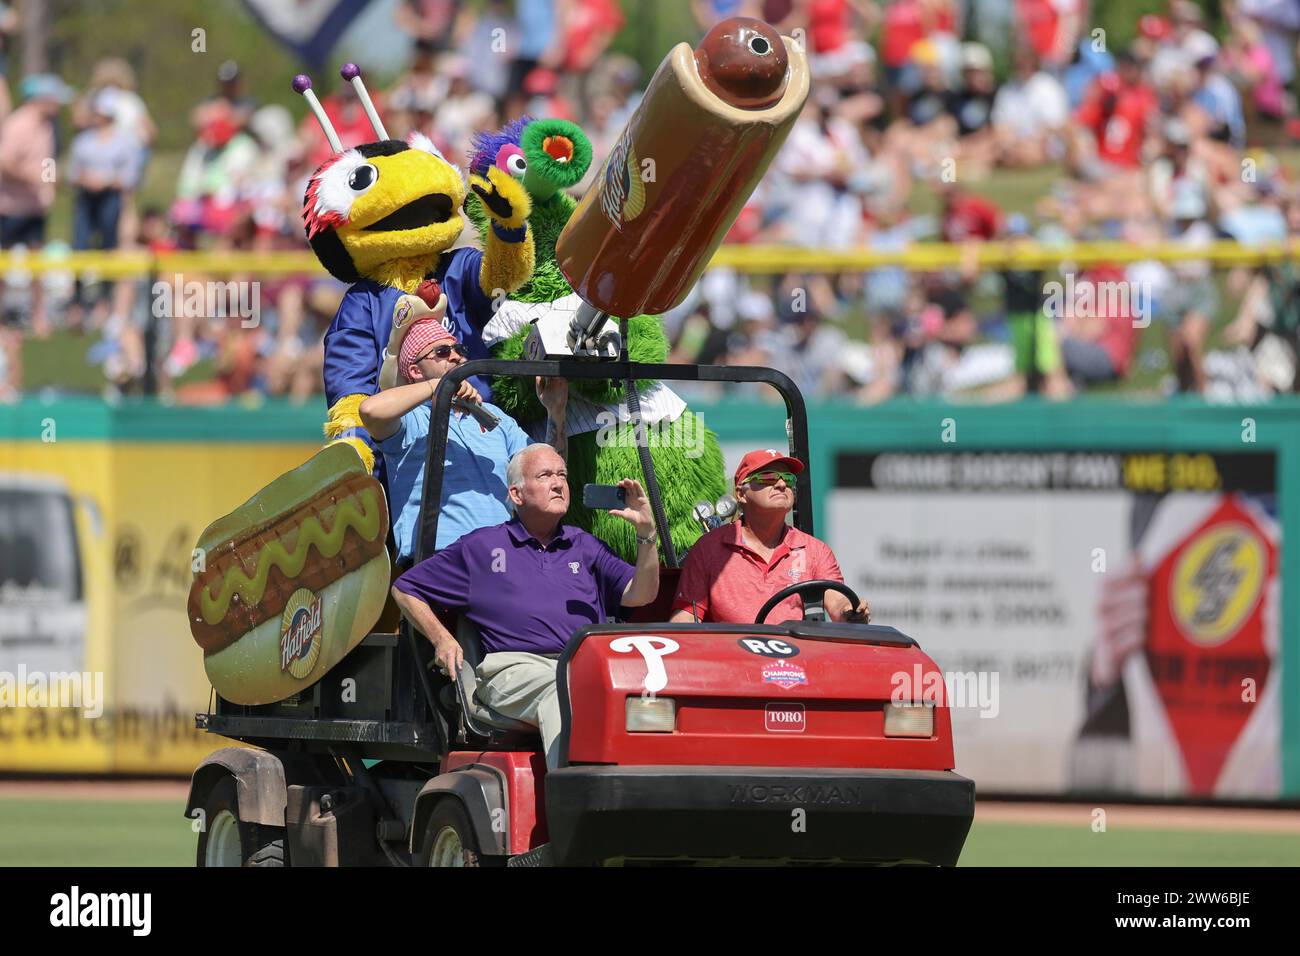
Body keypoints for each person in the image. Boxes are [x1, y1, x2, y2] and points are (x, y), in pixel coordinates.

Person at [391, 444, 660, 768]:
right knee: (562, 690)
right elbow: (405, 588)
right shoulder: (483, 546)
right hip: (513, 670)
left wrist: (647, 534)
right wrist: (441, 637)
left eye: (562, 475)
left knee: (651, 696)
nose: (559, 483)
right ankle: (578, 802)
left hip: (588, 666)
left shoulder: (584, 545)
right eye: (546, 475)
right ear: (516, 494)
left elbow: (641, 594)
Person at [359, 308, 568, 562]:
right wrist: (441, 385)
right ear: (415, 371)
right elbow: (369, 410)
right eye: (442, 352)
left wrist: (555, 410)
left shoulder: (497, 418)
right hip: (440, 560)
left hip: (502, 558)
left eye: (459, 349)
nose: (456, 357)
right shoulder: (411, 418)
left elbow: (552, 469)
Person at [669, 449, 869, 625]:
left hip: (797, 662)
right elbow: (684, 621)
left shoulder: (815, 550)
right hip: (731, 662)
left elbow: (839, 604)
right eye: (768, 478)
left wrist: (851, 611)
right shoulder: (708, 549)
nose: (782, 484)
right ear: (741, 493)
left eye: (788, 479)